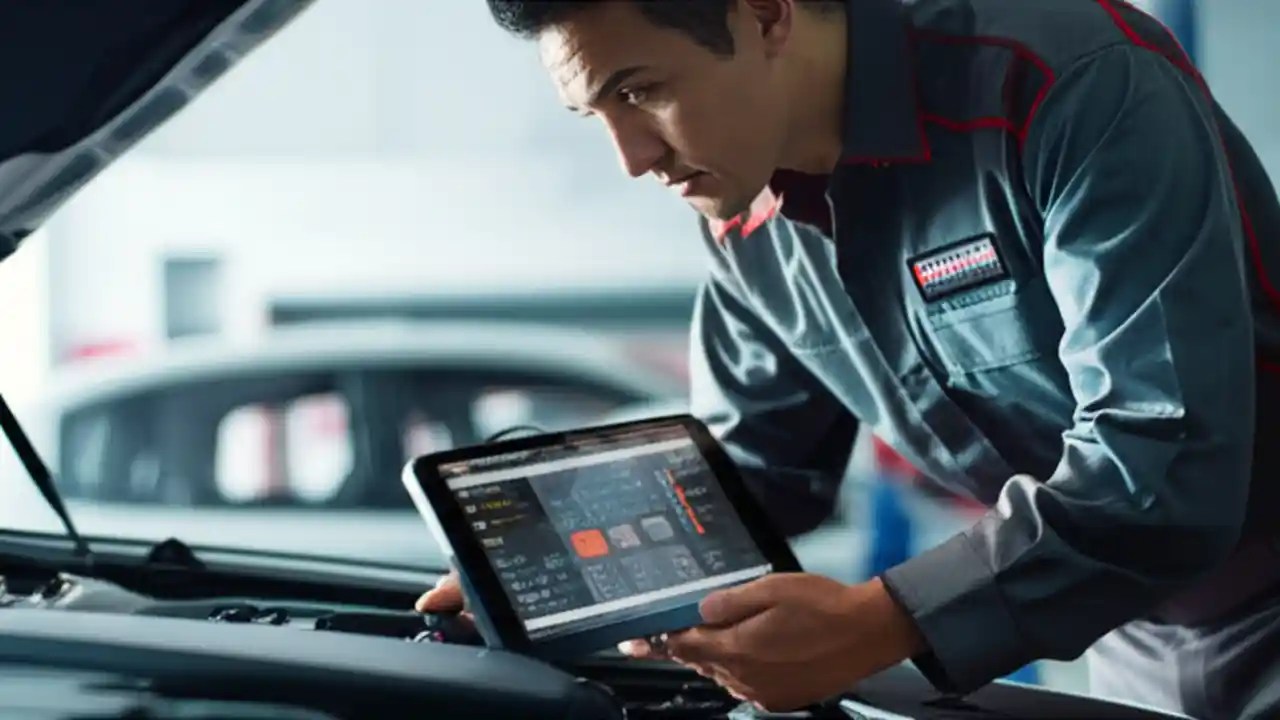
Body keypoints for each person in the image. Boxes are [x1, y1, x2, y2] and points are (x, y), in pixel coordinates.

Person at [416, 1, 1280, 716]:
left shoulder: (1067, 82)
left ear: (766, 14)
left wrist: (882, 621)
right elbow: (760, 470)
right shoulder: (745, 218)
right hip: (1130, 633)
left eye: (641, 91)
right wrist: (556, 567)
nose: (632, 159)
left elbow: (1165, 454)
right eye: (595, 115)